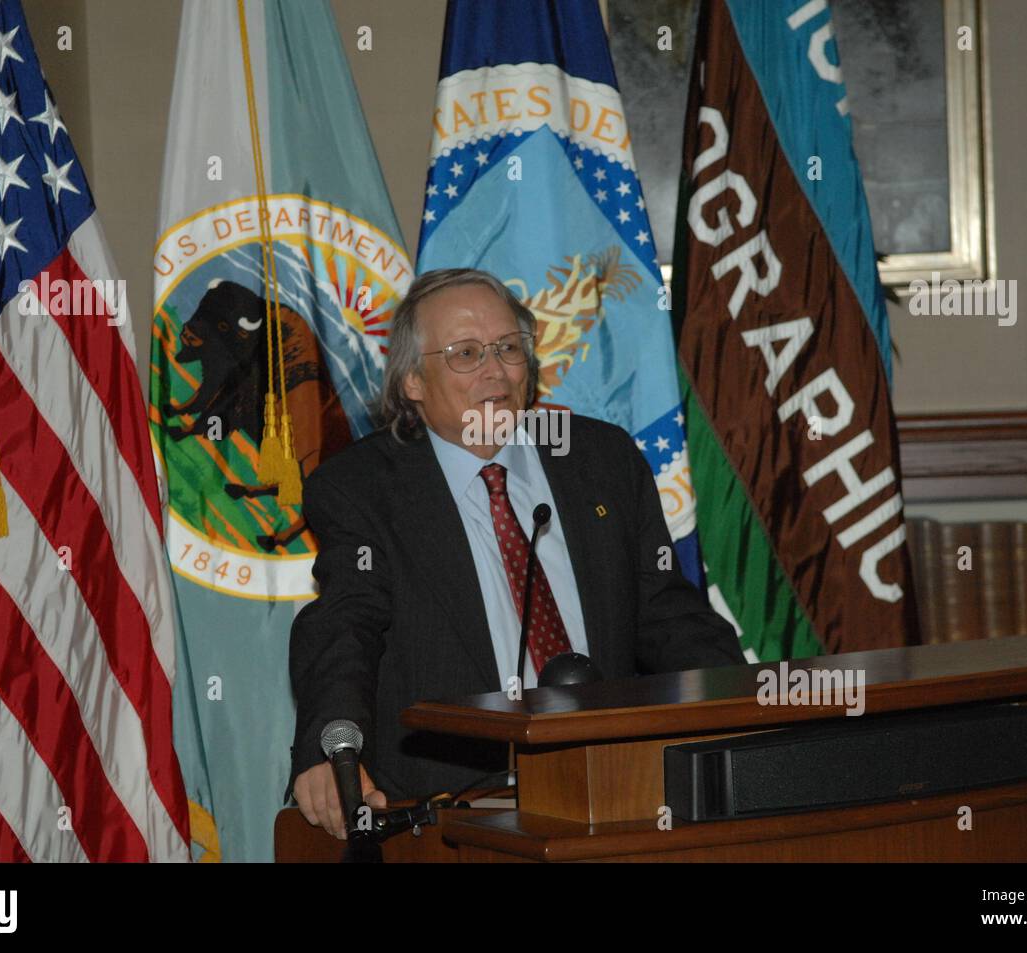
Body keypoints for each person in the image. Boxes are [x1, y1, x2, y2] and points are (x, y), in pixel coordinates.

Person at [288, 268, 746, 838]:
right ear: (411, 381)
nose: (495, 370)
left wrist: (749, 711)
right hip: (449, 810)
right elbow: (344, 624)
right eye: (465, 353)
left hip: (618, 794)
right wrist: (331, 748)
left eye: (509, 347)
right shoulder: (360, 488)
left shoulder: (601, 459)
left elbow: (666, 614)